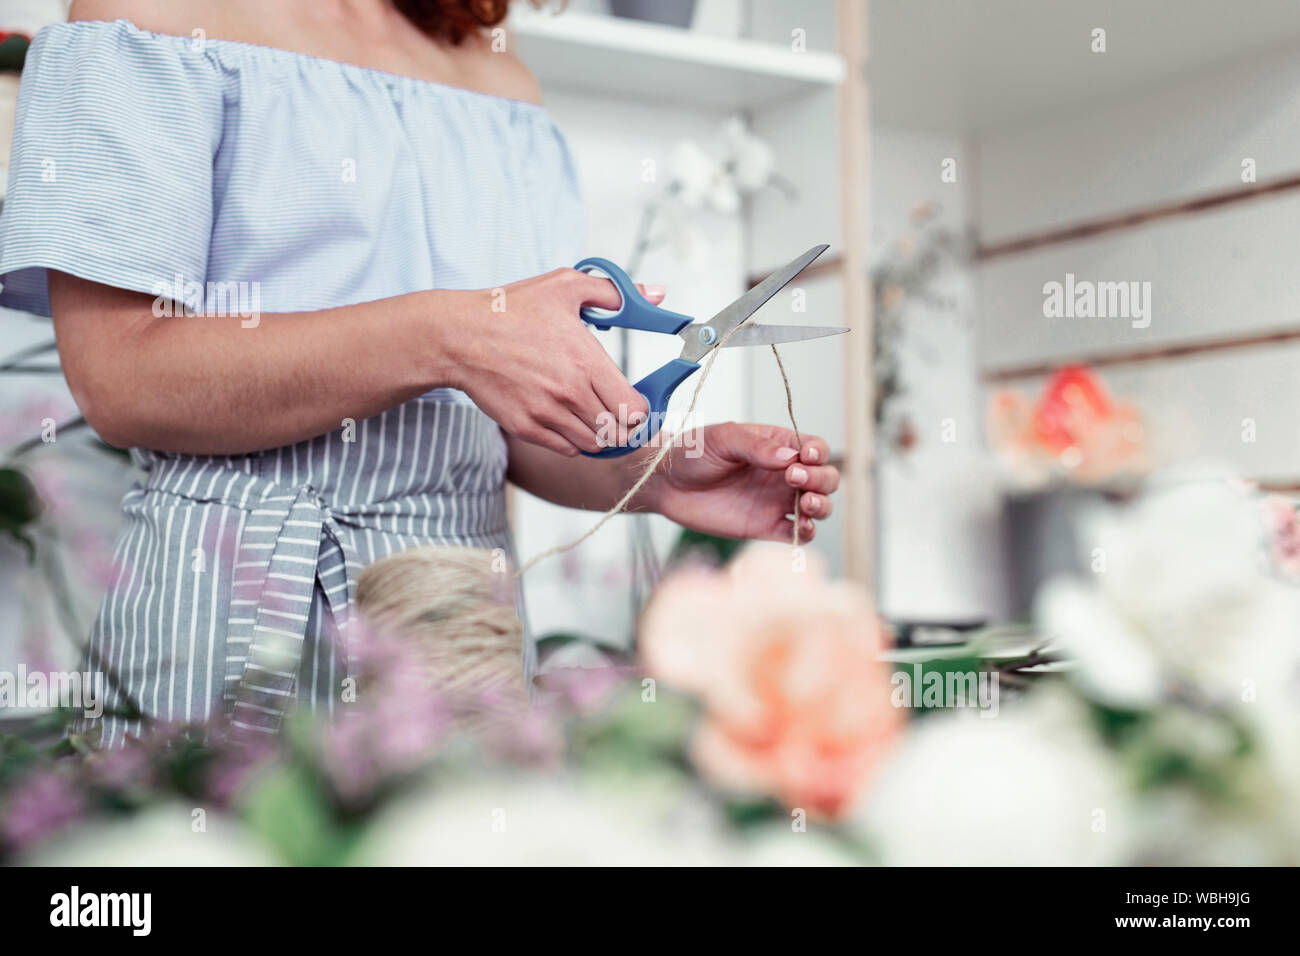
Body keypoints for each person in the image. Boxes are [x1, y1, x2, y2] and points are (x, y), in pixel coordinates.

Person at [0, 0, 840, 745]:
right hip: (220, 620)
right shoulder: (149, 18)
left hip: (458, 632)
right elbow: (122, 380)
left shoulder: (502, 88)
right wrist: (445, 334)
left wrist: (649, 472)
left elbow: (516, 427)